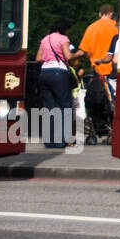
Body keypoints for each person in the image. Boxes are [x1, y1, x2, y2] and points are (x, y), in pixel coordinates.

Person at [35, 19, 86, 149]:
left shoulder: (45, 39)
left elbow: (38, 58)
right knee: (65, 107)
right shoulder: (63, 39)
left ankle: (50, 141)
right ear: (65, 29)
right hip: (59, 74)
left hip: (44, 73)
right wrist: (80, 53)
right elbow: (68, 56)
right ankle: (66, 140)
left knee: (50, 108)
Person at [79, 3, 118, 91]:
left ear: (100, 14)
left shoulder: (91, 28)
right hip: (114, 70)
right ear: (111, 14)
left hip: (97, 70)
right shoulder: (117, 27)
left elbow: (86, 51)